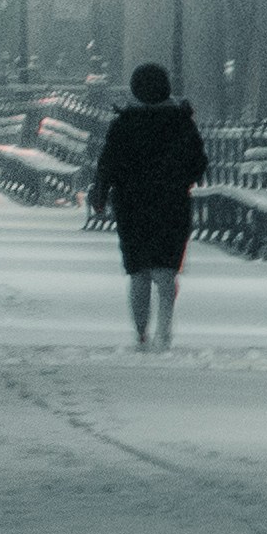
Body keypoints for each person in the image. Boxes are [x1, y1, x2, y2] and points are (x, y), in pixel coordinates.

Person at [91, 61, 207, 348]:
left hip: (132, 205)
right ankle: (164, 330)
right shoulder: (181, 122)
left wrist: (102, 193)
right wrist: (181, 179)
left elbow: (108, 164)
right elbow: (198, 163)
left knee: (139, 271)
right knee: (166, 272)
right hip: (172, 204)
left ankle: (141, 332)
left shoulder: (124, 124)